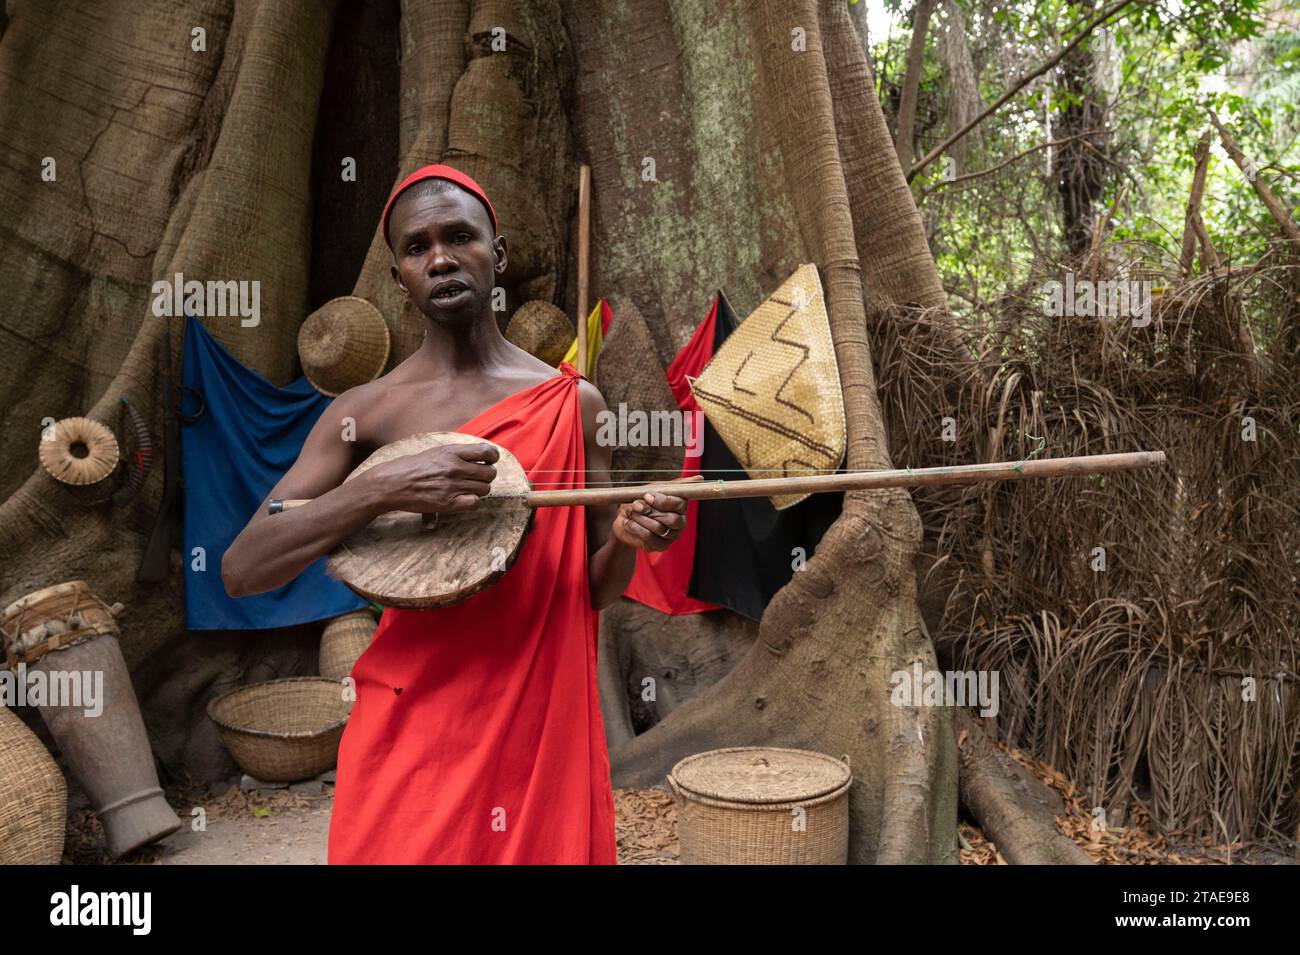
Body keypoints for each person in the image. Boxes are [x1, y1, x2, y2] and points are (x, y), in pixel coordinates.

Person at [221, 164, 689, 864]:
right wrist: (379, 488)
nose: (439, 257)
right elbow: (243, 565)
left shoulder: (573, 403)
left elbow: (594, 587)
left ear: (495, 255)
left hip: (536, 722)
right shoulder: (363, 415)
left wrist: (625, 538)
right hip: (410, 719)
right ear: (398, 274)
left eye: (459, 236)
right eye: (417, 247)